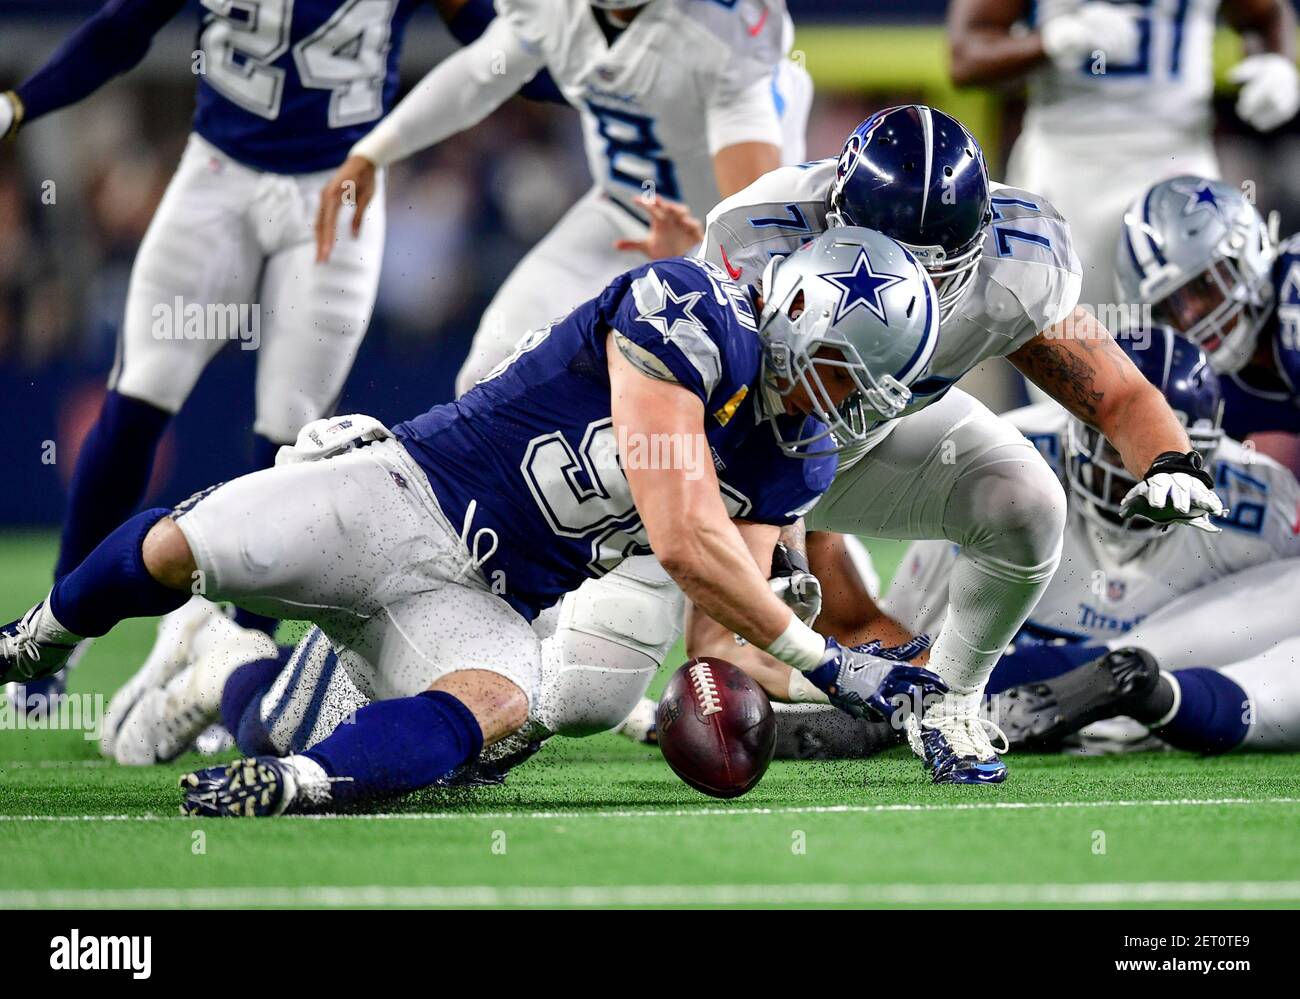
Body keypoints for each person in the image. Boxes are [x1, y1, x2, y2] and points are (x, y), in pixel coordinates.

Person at [3, 228, 949, 816]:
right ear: (791, 312)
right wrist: (832, 661)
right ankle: (33, 642)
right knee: (176, 548)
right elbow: (683, 535)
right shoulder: (688, 311)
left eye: (867, 392)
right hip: (404, 495)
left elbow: (724, 605)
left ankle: (292, 770)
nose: (841, 406)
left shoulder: (800, 451)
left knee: (510, 703)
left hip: (493, 597)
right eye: (836, 371)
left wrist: (826, 685)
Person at [586, 105, 1228, 784]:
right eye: (888, 263)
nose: (912, 291)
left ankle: (948, 705)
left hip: (866, 443)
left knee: (1026, 499)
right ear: (834, 220)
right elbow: (712, 418)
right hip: (720, 462)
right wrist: (785, 544)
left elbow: (1120, 396)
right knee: (585, 692)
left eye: (935, 273)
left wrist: (1169, 461)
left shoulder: (1020, 263)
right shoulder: (760, 235)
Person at [0, 0, 564, 713]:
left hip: (338, 185)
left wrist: (586, 73)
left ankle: (233, 659)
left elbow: (486, 37)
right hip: (218, 175)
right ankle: (57, 632)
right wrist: (21, 103)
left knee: (286, 442)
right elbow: (124, 27)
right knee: (137, 400)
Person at [314, 0, 814, 396]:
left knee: (715, 415)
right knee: (491, 369)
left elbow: (758, 217)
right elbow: (483, 74)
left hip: (726, 245)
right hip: (621, 211)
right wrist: (374, 151)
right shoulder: (554, 10)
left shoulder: (723, 26)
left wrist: (701, 263)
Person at [947, 0, 1299, 311]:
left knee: (1205, 330)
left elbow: (1266, 15)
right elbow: (966, 57)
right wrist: (1049, 41)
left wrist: (1276, 64)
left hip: (1177, 162)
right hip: (1068, 164)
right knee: (1072, 344)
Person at [1115, 174, 1300, 443]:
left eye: (1203, 284)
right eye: (1170, 307)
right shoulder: (1211, 386)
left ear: (1246, 255)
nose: (1190, 314)